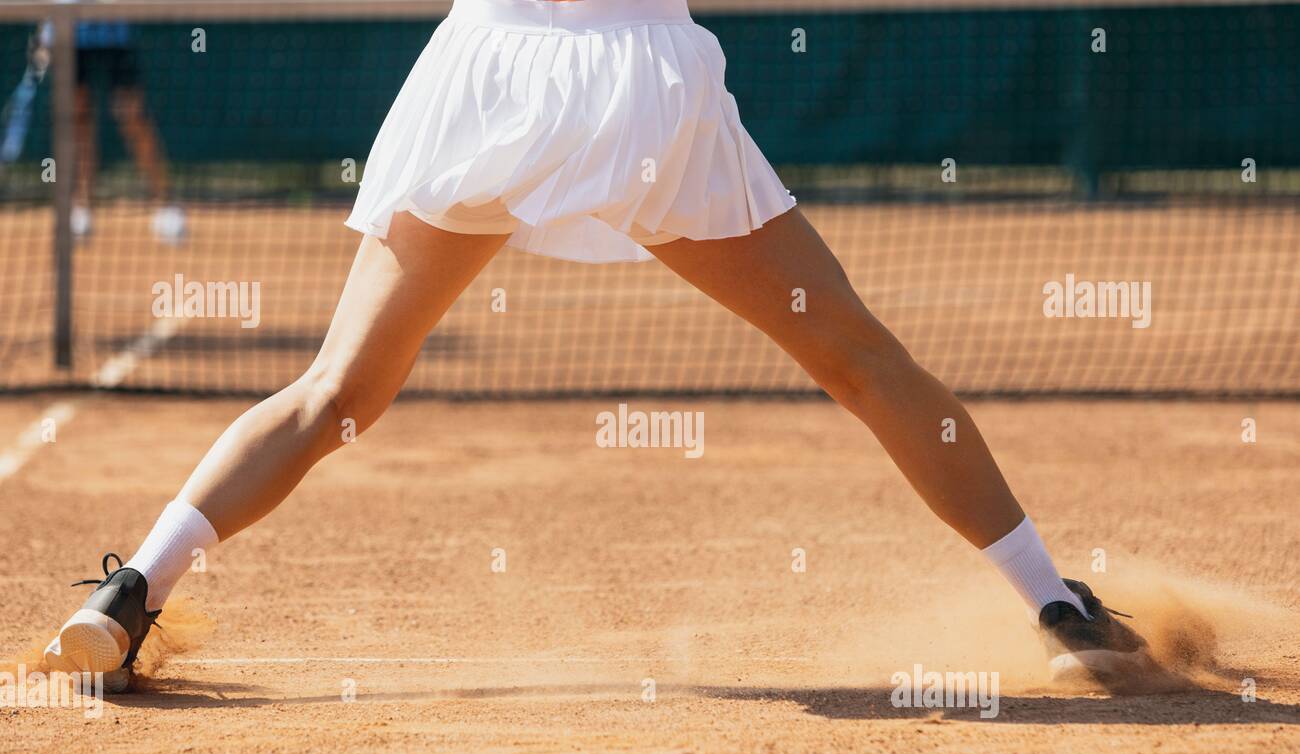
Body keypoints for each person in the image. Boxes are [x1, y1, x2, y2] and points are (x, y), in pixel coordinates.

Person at [44, 0, 1162, 694]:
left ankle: (132, 592)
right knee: (858, 360)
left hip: (482, 71)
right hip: (643, 84)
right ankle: (1055, 607)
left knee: (337, 388)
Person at [35, 18, 186, 242]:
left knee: (132, 115)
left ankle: (165, 203)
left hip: (116, 31)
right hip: (71, 31)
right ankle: (82, 208)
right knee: (78, 118)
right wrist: (47, 32)